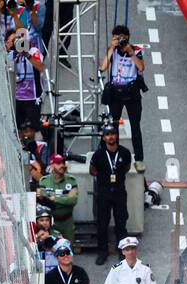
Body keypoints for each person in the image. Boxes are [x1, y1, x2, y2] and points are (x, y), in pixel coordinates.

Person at [99, 24, 147, 170]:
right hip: (116, 93)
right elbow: (103, 67)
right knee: (112, 126)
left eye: (122, 38)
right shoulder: (112, 51)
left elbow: (141, 67)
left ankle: (139, 159)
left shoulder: (136, 50)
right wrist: (112, 48)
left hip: (132, 93)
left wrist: (131, 52)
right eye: (117, 38)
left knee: (135, 127)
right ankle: (113, 156)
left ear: (128, 38)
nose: (120, 41)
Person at [88, 125, 132, 265]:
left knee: (121, 223)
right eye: (107, 134)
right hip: (104, 192)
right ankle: (102, 252)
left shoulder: (124, 153)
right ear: (104, 137)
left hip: (119, 192)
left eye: (113, 134)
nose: (110, 137)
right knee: (102, 223)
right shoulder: (99, 155)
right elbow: (93, 171)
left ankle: (122, 252)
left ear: (116, 136)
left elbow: (126, 168)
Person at [37, 155, 79, 253]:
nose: (62, 165)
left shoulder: (71, 180)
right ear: (51, 165)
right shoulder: (45, 181)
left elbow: (73, 200)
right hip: (50, 223)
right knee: (49, 249)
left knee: (67, 250)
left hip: (66, 221)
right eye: (59, 163)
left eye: (63, 163)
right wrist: (65, 198)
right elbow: (42, 200)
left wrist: (53, 198)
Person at [7, 25, 45, 131]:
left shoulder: (34, 51)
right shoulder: (12, 55)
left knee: (34, 129)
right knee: (18, 128)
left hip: (33, 98)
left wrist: (26, 54)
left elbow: (40, 67)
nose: (18, 42)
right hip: (17, 99)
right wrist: (15, 52)